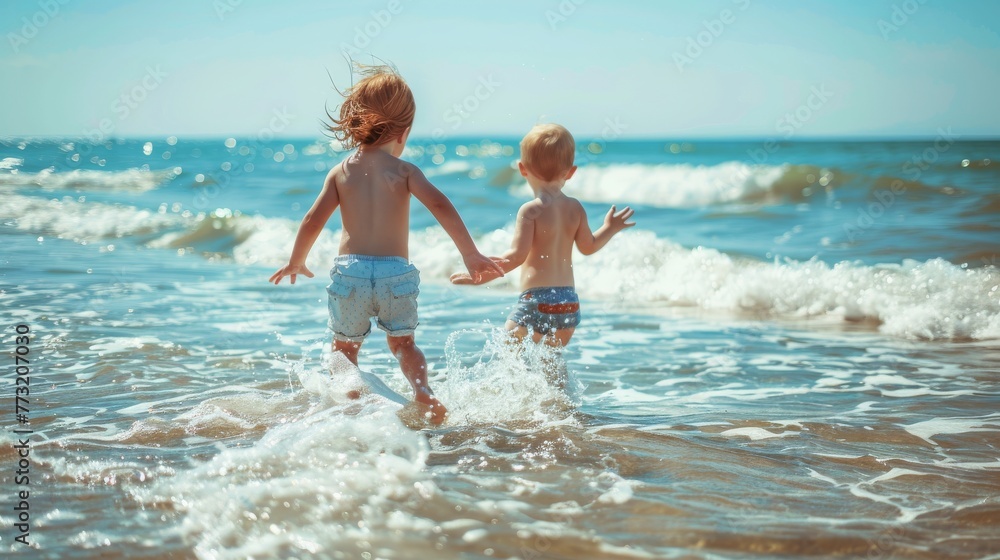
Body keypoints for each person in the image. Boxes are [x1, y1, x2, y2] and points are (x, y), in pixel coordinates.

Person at [270, 65, 502, 425]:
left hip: (352, 274)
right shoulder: (405, 171)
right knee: (404, 345)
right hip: (396, 273)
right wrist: (470, 254)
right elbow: (441, 205)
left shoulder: (341, 171)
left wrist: (297, 260)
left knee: (345, 349)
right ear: (404, 130)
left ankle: (349, 401)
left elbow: (312, 220)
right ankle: (423, 393)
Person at [451, 123, 635, 348]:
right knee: (551, 363)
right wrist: (610, 227)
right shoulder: (575, 208)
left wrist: (482, 276)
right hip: (569, 304)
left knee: (509, 349)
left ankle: (515, 384)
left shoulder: (530, 210)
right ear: (571, 172)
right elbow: (588, 247)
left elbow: (516, 256)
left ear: (522, 169)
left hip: (536, 301)